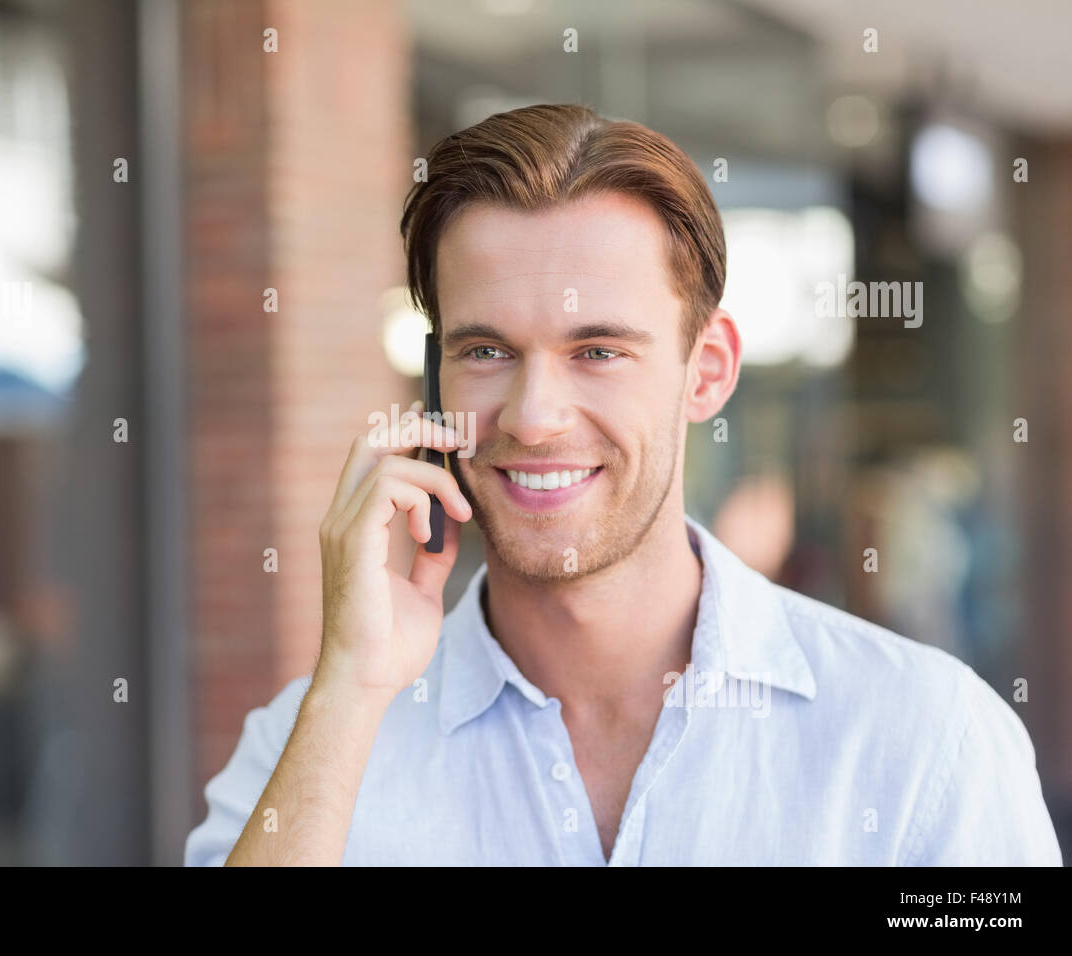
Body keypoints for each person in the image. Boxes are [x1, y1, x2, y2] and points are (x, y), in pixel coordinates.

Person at [184, 104, 1062, 866]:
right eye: (485, 351)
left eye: (597, 351)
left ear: (706, 371)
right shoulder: (309, 746)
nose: (534, 417)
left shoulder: (925, 739)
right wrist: (350, 689)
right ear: (434, 378)